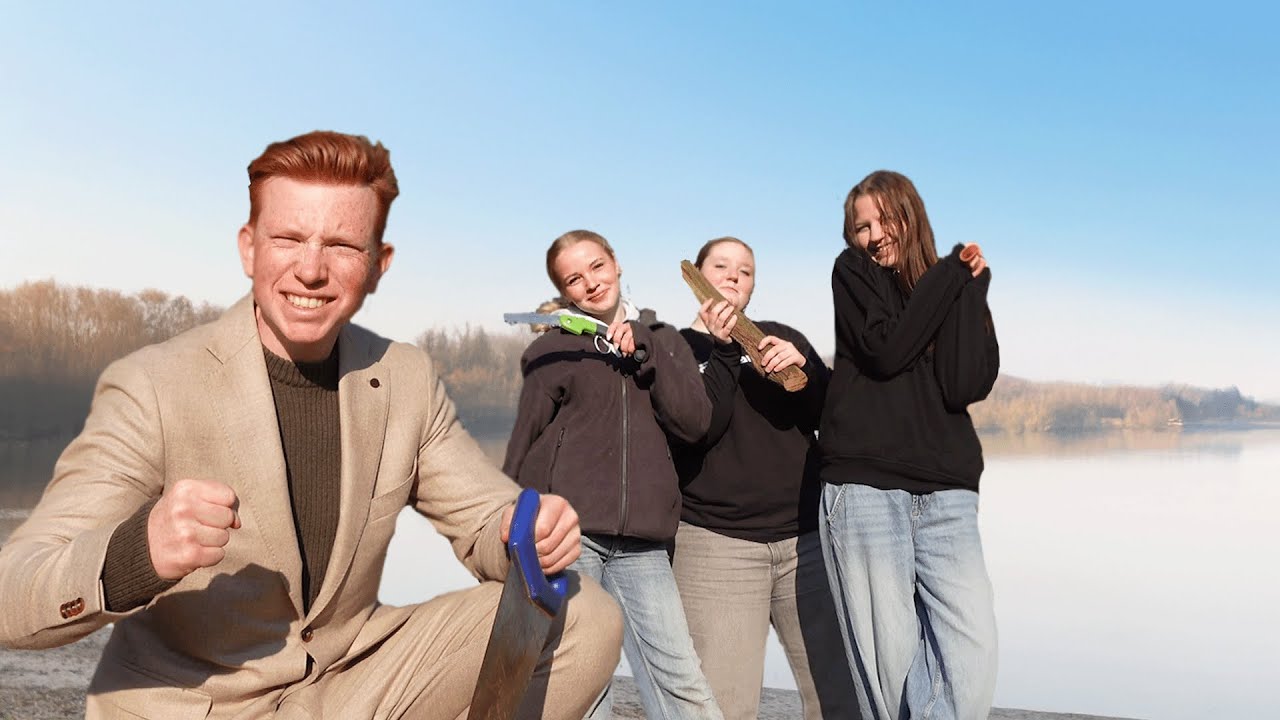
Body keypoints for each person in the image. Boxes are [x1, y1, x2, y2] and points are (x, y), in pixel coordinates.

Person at [0, 131, 622, 720]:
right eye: (288, 239)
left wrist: (531, 533)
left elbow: (487, 519)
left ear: (379, 264)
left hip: (350, 682)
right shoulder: (152, 385)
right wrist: (139, 552)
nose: (311, 270)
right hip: (200, 702)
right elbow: (12, 593)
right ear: (249, 247)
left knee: (582, 616)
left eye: (343, 246)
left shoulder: (403, 377)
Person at [503, 229, 724, 720]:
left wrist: (646, 351)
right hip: (571, 539)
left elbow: (695, 424)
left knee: (682, 680)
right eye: (575, 278)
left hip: (644, 544)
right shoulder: (553, 350)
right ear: (566, 292)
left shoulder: (666, 341)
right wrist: (507, 526)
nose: (591, 283)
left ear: (617, 264)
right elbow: (524, 443)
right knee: (587, 687)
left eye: (597, 267)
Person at [819, 170, 999, 720]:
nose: (873, 235)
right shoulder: (852, 271)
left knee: (971, 663)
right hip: (866, 488)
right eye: (860, 227)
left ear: (911, 214)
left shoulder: (946, 287)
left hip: (947, 492)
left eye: (884, 219)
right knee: (889, 673)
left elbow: (965, 382)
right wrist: (949, 276)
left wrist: (970, 290)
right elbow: (886, 348)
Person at [668, 237, 858, 720]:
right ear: (697, 274)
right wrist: (725, 353)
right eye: (722, 265)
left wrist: (807, 372)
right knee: (724, 706)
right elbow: (696, 431)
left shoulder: (778, 337)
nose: (734, 276)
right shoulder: (674, 349)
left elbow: (836, 417)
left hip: (806, 546)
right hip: (717, 550)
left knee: (842, 698)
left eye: (746, 271)